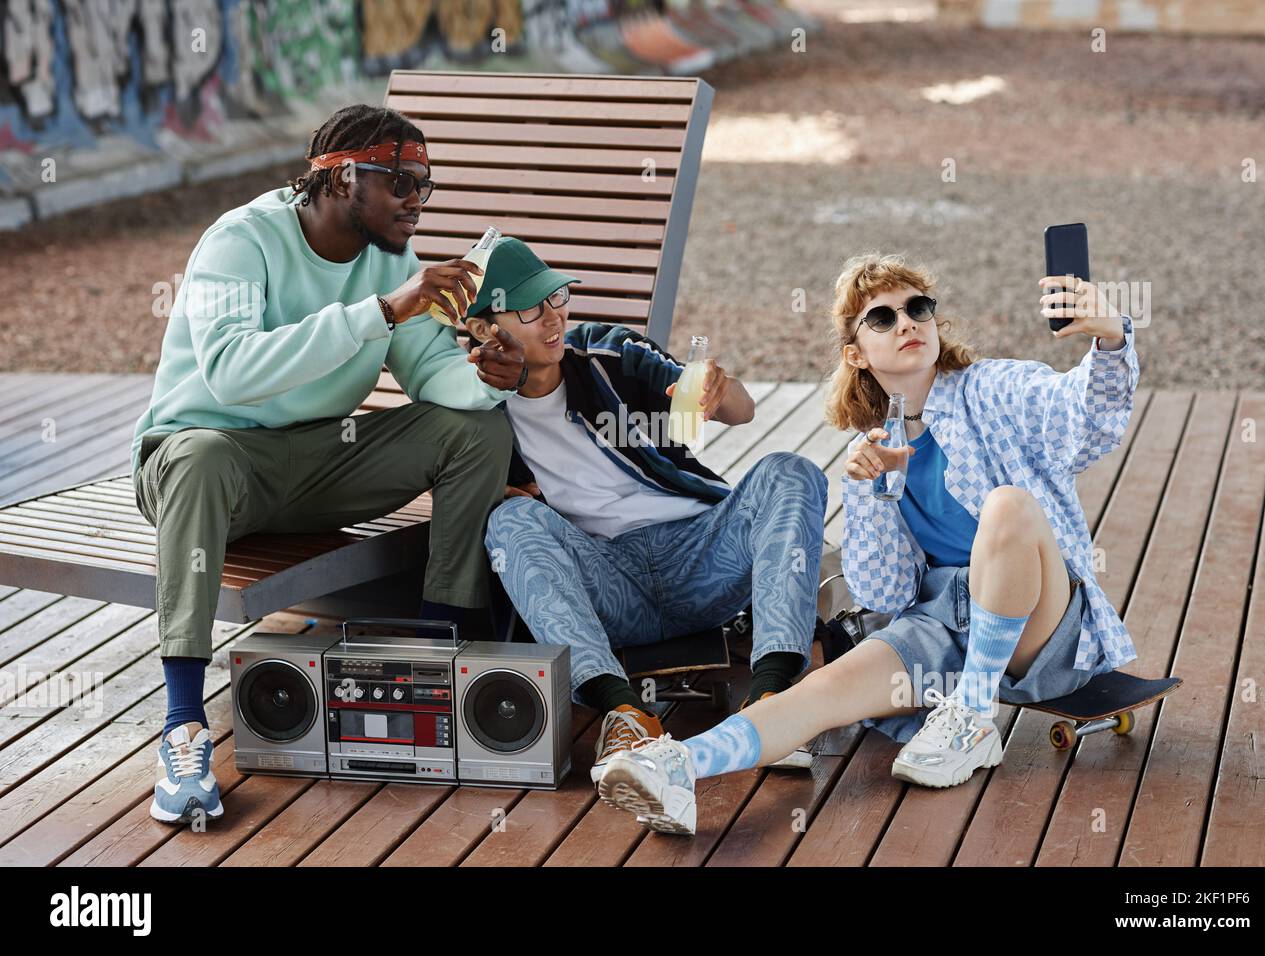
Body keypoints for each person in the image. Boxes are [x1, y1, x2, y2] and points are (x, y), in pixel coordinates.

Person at [595, 250, 1140, 835]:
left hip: (1039, 626)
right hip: (940, 623)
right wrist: (869, 491)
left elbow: (1086, 418)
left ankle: (975, 713)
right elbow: (885, 590)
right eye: (882, 318)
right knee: (818, 694)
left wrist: (1110, 339)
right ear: (855, 353)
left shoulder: (996, 389)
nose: (906, 322)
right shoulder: (874, 444)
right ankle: (676, 766)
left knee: (1007, 505)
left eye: (918, 309)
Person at [131, 105, 527, 824]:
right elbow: (228, 373)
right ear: (342, 176)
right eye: (401, 179)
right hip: (208, 465)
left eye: (425, 185)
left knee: (473, 433)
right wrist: (380, 311)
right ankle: (183, 726)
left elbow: (431, 373)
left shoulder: (391, 260)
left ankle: (439, 655)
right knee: (200, 456)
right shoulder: (241, 239)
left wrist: (487, 375)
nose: (416, 198)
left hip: (320, 459)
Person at [464, 238, 829, 785]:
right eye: (528, 309)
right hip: (609, 585)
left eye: (556, 298)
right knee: (511, 522)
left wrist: (718, 391)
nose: (551, 319)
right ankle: (626, 715)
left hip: (702, 556)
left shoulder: (608, 355)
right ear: (482, 328)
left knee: (789, 470)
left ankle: (773, 700)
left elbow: (742, 410)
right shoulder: (469, 404)